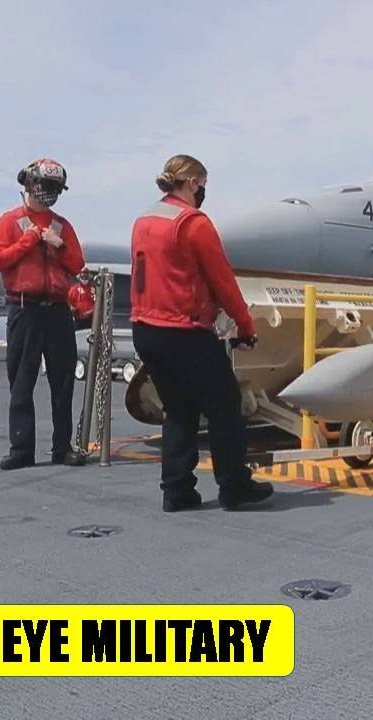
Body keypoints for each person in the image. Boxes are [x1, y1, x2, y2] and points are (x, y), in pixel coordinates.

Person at [129, 154, 273, 512]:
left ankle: (177, 491)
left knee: (178, 409)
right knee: (225, 404)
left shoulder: (143, 221)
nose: (204, 191)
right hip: (183, 330)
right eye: (203, 185)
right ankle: (234, 486)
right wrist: (246, 325)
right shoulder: (193, 223)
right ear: (193, 183)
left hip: (145, 329)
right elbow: (221, 279)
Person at [0, 157, 87, 470]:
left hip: (58, 311)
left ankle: (62, 448)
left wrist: (58, 246)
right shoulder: (10, 222)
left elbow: (77, 264)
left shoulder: (62, 226)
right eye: (47, 186)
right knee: (21, 382)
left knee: (63, 383)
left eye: (56, 188)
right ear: (30, 184)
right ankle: (21, 449)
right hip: (24, 309)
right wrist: (29, 240)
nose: (51, 193)